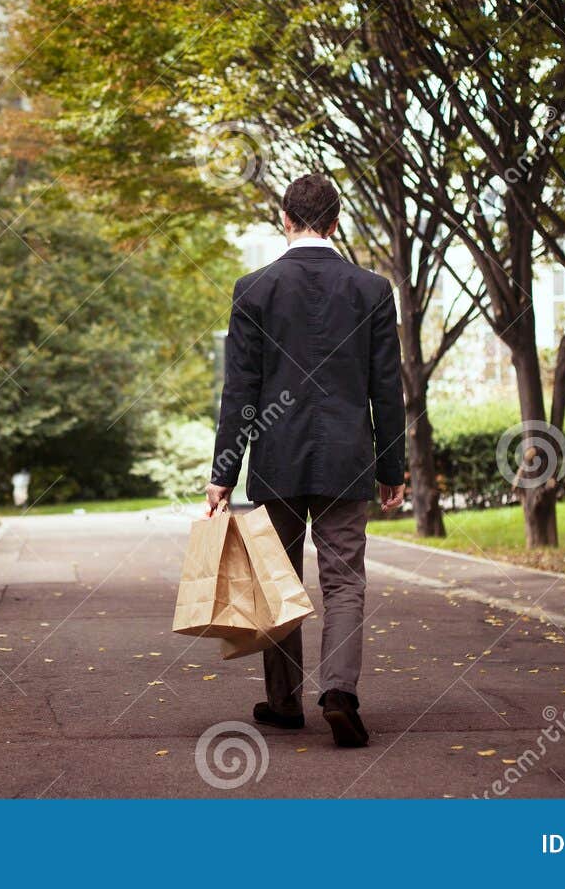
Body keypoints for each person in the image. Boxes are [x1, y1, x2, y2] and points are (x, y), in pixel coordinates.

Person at [206, 172, 406, 748]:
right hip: (348, 457)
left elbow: (240, 391)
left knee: (279, 579)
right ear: (336, 222)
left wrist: (223, 472)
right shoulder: (370, 290)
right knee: (345, 581)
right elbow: (385, 388)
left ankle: (284, 704)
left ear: (286, 220)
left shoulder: (254, 289)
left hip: (278, 456)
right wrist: (391, 467)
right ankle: (339, 692)